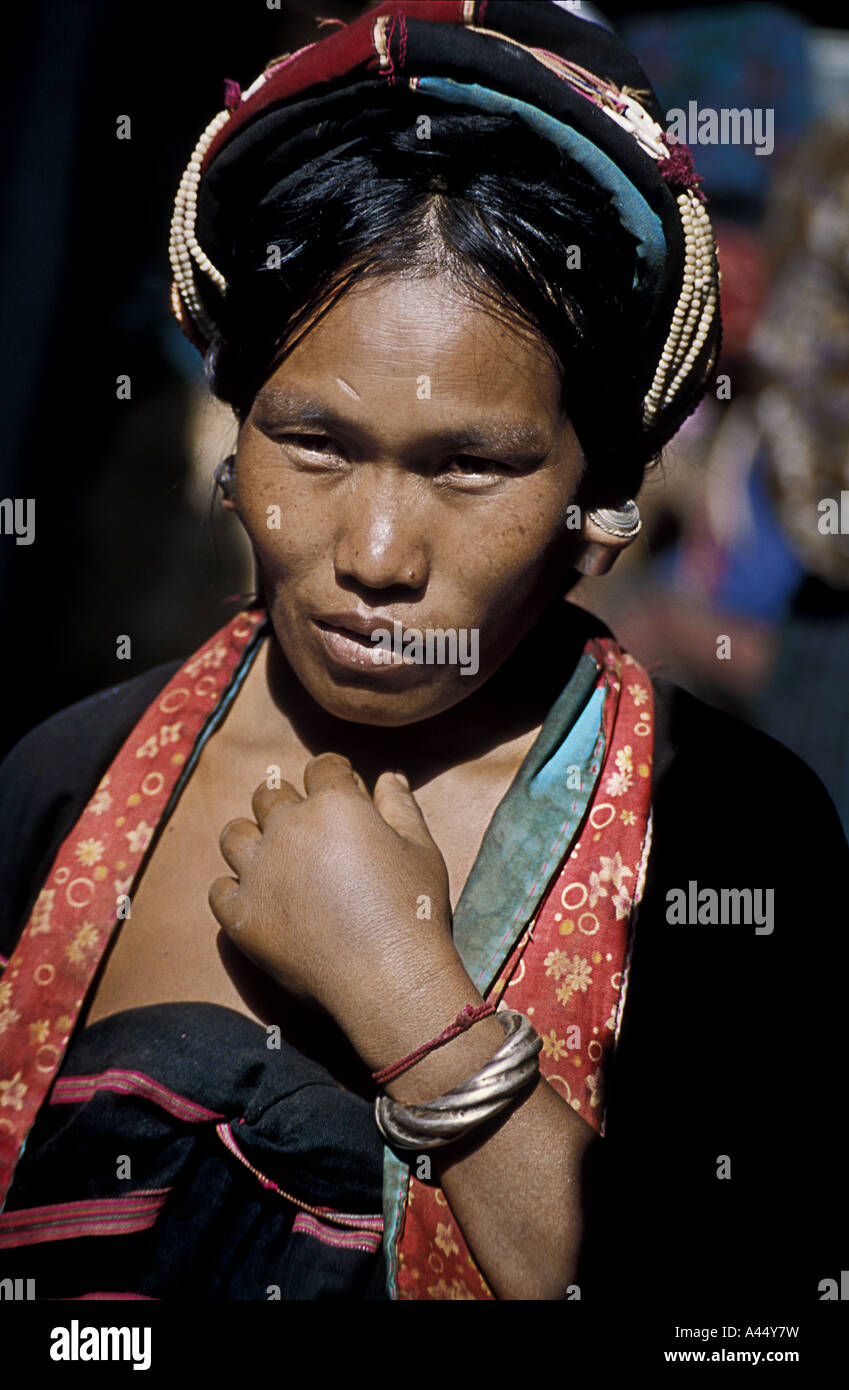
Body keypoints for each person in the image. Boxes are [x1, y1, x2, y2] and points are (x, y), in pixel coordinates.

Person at [0, 0, 845, 1307]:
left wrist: (410, 1005)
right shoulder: (58, 786)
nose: (377, 551)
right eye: (314, 444)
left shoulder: (727, 835)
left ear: (599, 501)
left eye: (472, 466)